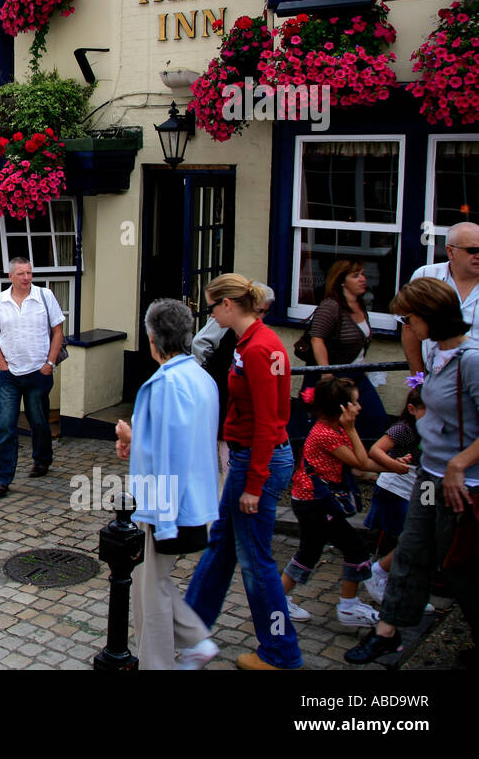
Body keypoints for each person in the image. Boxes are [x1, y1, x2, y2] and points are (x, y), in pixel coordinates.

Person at [347, 277, 479, 665]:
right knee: (411, 549)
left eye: (408, 319)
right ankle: (387, 632)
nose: (406, 328)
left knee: (459, 566)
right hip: (429, 477)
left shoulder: (471, 360)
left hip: (462, 484)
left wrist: (459, 463)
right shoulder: (439, 355)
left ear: (429, 317)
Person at [185, 274, 303, 670]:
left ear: (228, 306)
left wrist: (254, 484)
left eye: (212, 307)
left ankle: (280, 652)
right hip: (248, 457)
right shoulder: (250, 342)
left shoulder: (258, 348)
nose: (211, 314)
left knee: (256, 561)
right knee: (222, 543)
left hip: (257, 461)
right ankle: (190, 626)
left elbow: (270, 422)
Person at [114, 300, 221, 670]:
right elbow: (178, 439)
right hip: (195, 498)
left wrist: (131, 434)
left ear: (151, 339)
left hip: (168, 503)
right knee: (151, 584)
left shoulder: (165, 384)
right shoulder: (201, 378)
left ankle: (175, 652)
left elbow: (167, 454)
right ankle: (186, 644)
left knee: (151, 588)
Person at [280, 377, 381, 627]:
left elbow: (360, 467)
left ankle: (277, 600)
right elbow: (359, 461)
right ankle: (348, 607)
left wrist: (390, 469)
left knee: (310, 551)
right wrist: (352, 429)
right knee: (355, 548)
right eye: (355, 403)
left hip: (312, 500)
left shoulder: (331, 429)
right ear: (343, 409)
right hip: (315, 502)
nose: (359, 407)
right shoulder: (329, 433)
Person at [0, 257, 65, 498]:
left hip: (38, 372)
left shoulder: (44, 297)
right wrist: (2, 364)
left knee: (38, 420)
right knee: (5, 425)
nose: (27, 278)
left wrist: (49, 364)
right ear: (11, 276)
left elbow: (58, 330)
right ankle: (1, 478)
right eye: (21, 274)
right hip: (10, 375)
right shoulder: (0, 301)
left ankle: (42, 459)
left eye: (29, 273)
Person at [301, 259, 388, 443]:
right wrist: (326, 374)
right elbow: (317, 338)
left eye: (363, 274)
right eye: (355, 276)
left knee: (375, 418)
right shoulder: (330, 306)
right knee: (326, 427)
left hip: (357, 374)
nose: (362, 279)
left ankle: (361, 464)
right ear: (341, 281)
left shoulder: (360, 305)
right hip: (333, 376)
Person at [195, 285, 274, 471]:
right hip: (223, 391)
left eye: (265, 312)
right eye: (258, 311)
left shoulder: (259, 340)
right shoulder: (230, 325)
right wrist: (208, 373)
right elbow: (200, 344)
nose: (260, 317)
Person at [364, 382, 425, 600]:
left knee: (425, 535)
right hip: (397, 488)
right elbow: (375, 450)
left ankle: (402, 587)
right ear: (412, 409)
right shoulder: (404, 429)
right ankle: (380, 574)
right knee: (409, 539)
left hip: (423, 487)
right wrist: (394, 465)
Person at [404, 222, 479, 375]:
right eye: (472, 250)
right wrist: (418, 379)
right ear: (450, 252)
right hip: (435, 377)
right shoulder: (425, 276)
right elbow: (409, 329)